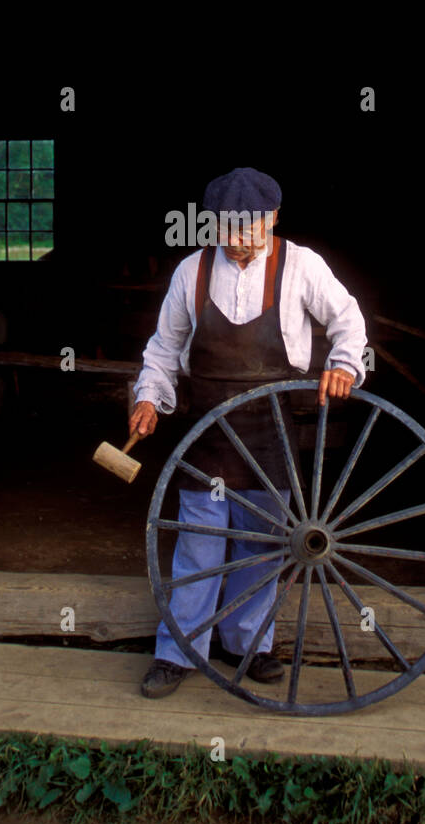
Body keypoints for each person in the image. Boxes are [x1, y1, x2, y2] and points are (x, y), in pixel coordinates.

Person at [131, 167, 368, 698]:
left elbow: (348, 321)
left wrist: (345, 364)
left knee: (262, 548)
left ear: (273, 219)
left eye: (251, 231)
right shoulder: (191, 272)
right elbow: (164, 349)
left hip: (271, 433)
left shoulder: (302, 266)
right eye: (228, 231)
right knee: (198, 546)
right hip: (208, 434)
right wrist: (148, 396)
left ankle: (248, 644)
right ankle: (179, 652)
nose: (239, 244)